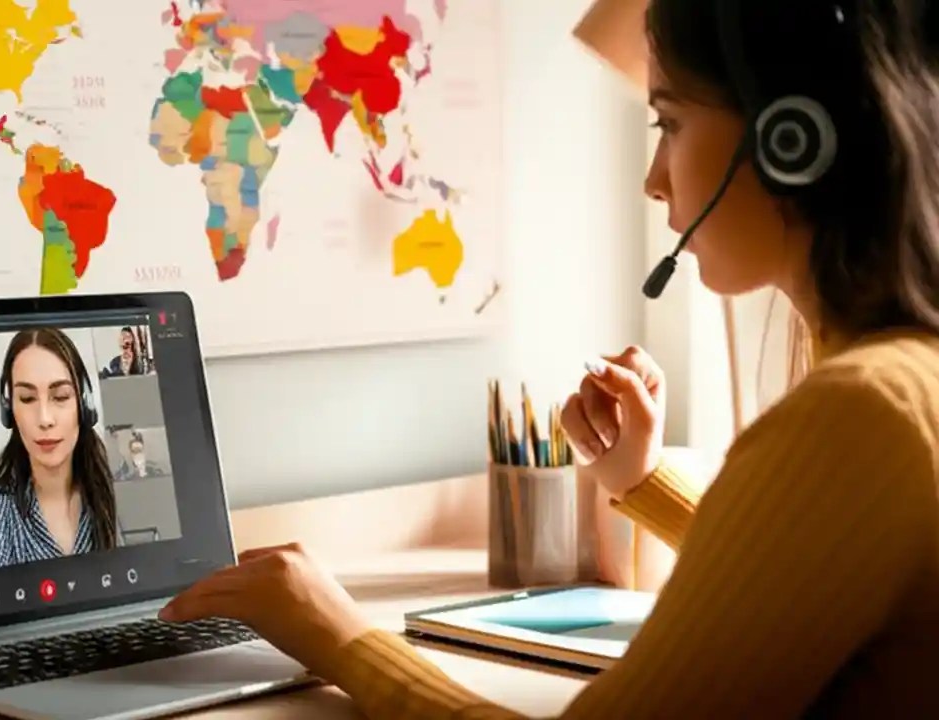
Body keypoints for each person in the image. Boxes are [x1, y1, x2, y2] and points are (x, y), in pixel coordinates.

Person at [155, 1, 939, 717]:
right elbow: (794, 583)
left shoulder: (859, 409)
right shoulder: (905, 380)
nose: (654, 180)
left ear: (790, 142)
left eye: (668, 124)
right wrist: (641, 483)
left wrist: (337, 635)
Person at [0, 328, 119, 570]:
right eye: (27, 399)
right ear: (9, 412)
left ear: (84, 405)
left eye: (60, 396)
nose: (45, 419)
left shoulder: (119, 499)